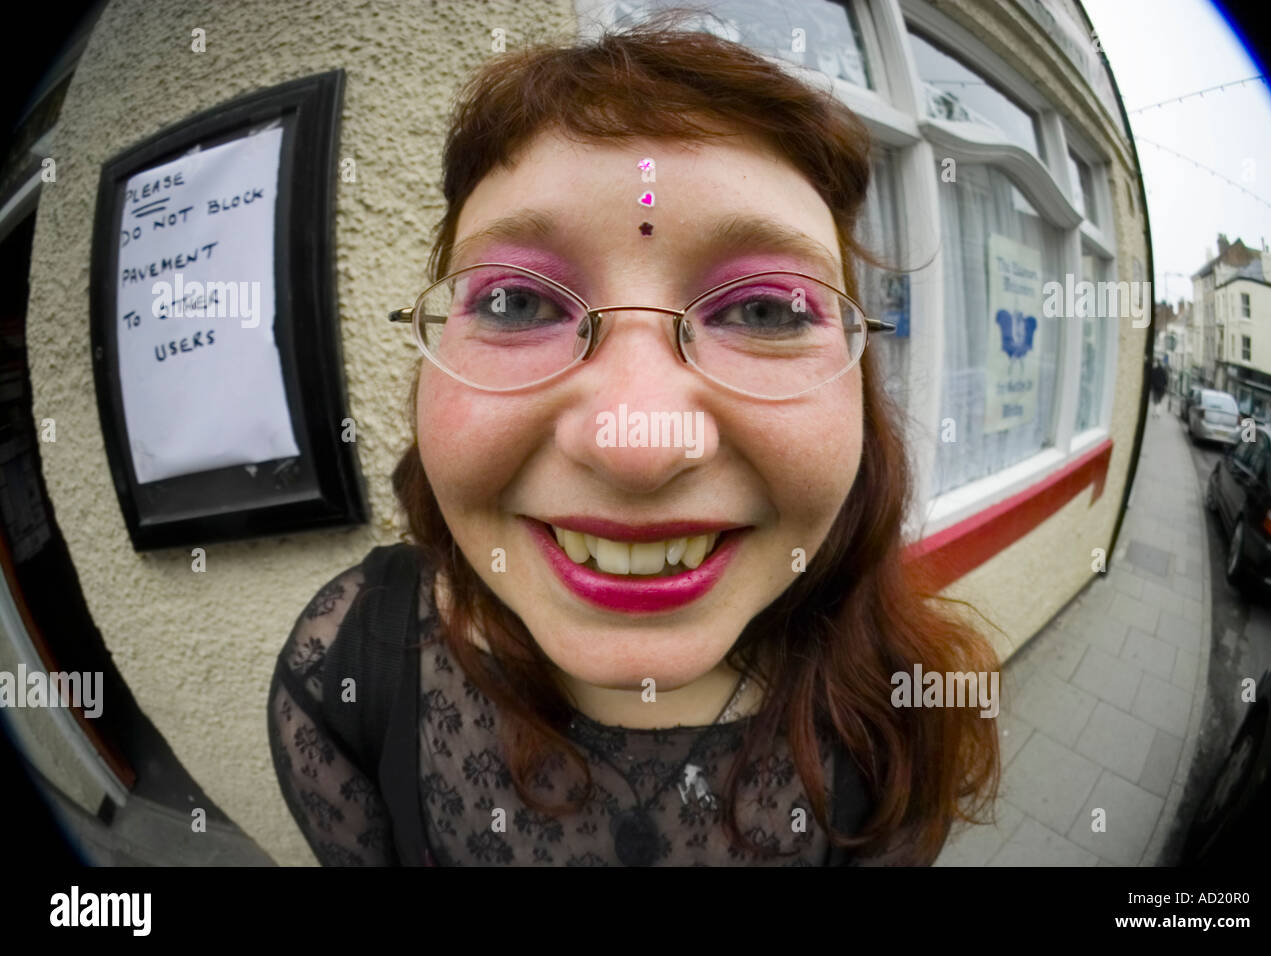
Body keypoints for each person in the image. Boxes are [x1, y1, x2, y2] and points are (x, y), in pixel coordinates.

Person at [267, 11, 1000, 866]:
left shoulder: (910, 709)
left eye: (765, 310)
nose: (636, 445)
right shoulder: (344, 675)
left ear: (859, 379)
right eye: (518, 303)